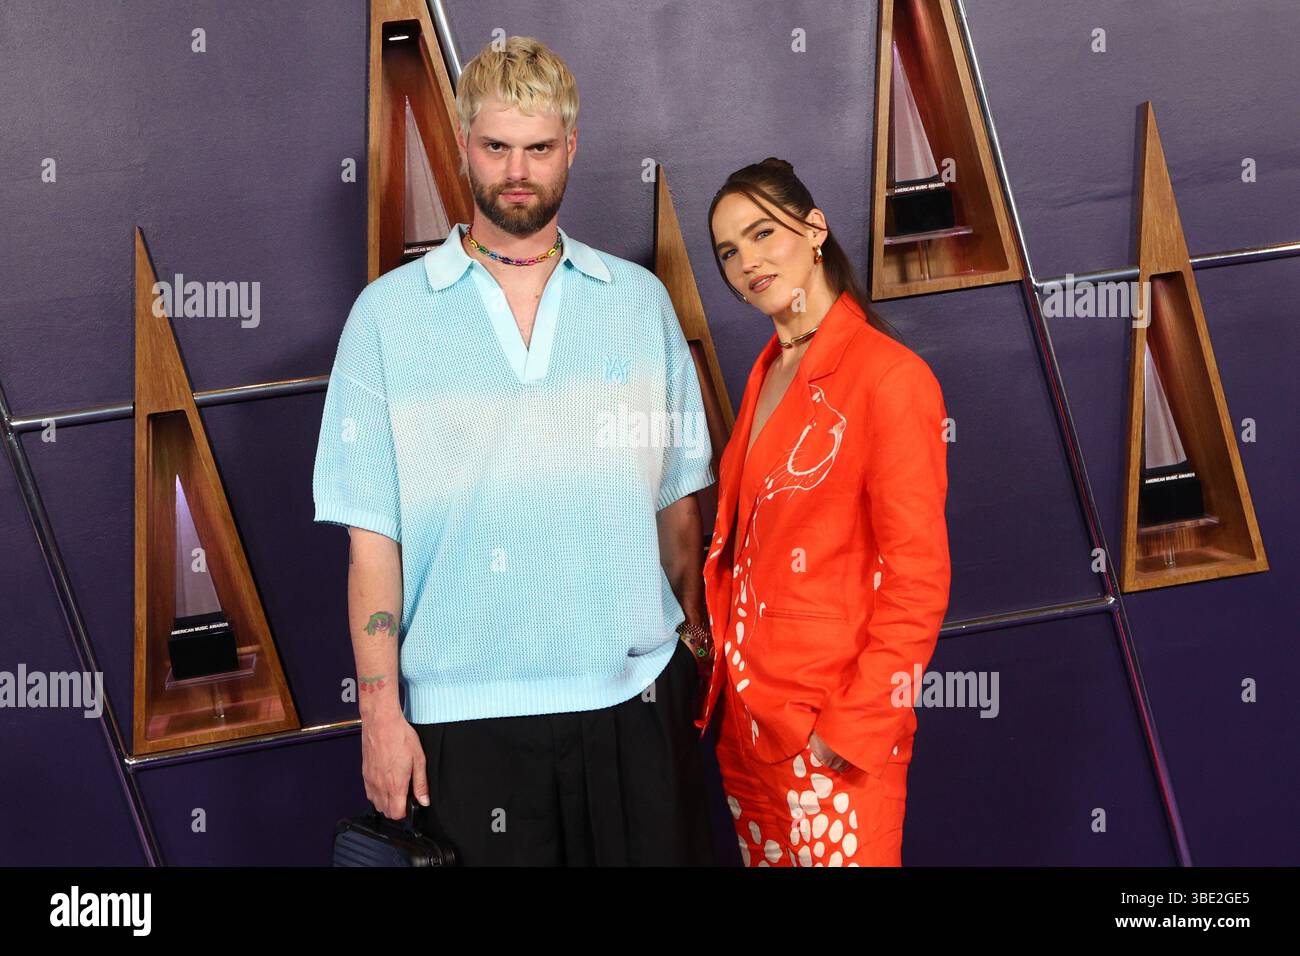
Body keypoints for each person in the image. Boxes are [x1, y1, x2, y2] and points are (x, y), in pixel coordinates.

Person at [312, 36, 717, 865]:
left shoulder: (637, 304)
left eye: (538, 148)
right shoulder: (386, 320)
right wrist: (381, 717)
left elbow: (678, 511)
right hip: (463, 727)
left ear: (572, 147)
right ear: (464, 145)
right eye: (496, 147)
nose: (517, 171)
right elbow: (371, 547)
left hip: (633, 707)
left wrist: (691, 664)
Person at [695, 157, 951, 867]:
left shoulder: (889, 377)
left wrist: (850, 727)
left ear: (814, 230)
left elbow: (918, 579)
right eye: (727, 251)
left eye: (761, 233)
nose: (747, 261)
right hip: (749, 730)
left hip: (832, 731)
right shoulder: (769, 370)